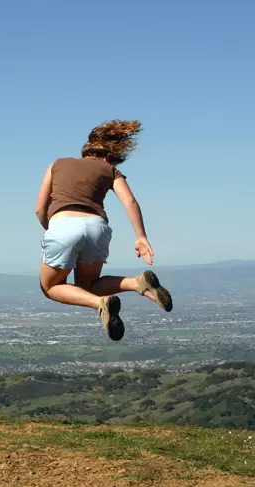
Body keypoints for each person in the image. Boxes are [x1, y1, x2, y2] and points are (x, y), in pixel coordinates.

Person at [35, 120, 172, 340]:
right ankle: (137, 283)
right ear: (109, 156)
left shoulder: (57, 164)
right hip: (97, 227)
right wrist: (141, 237)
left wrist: (52, 228)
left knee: (50, 287)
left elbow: (40, 208)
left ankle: (101, 303)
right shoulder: (111, 171)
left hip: (63, 223)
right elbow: (130, 202)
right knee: (87, 285)